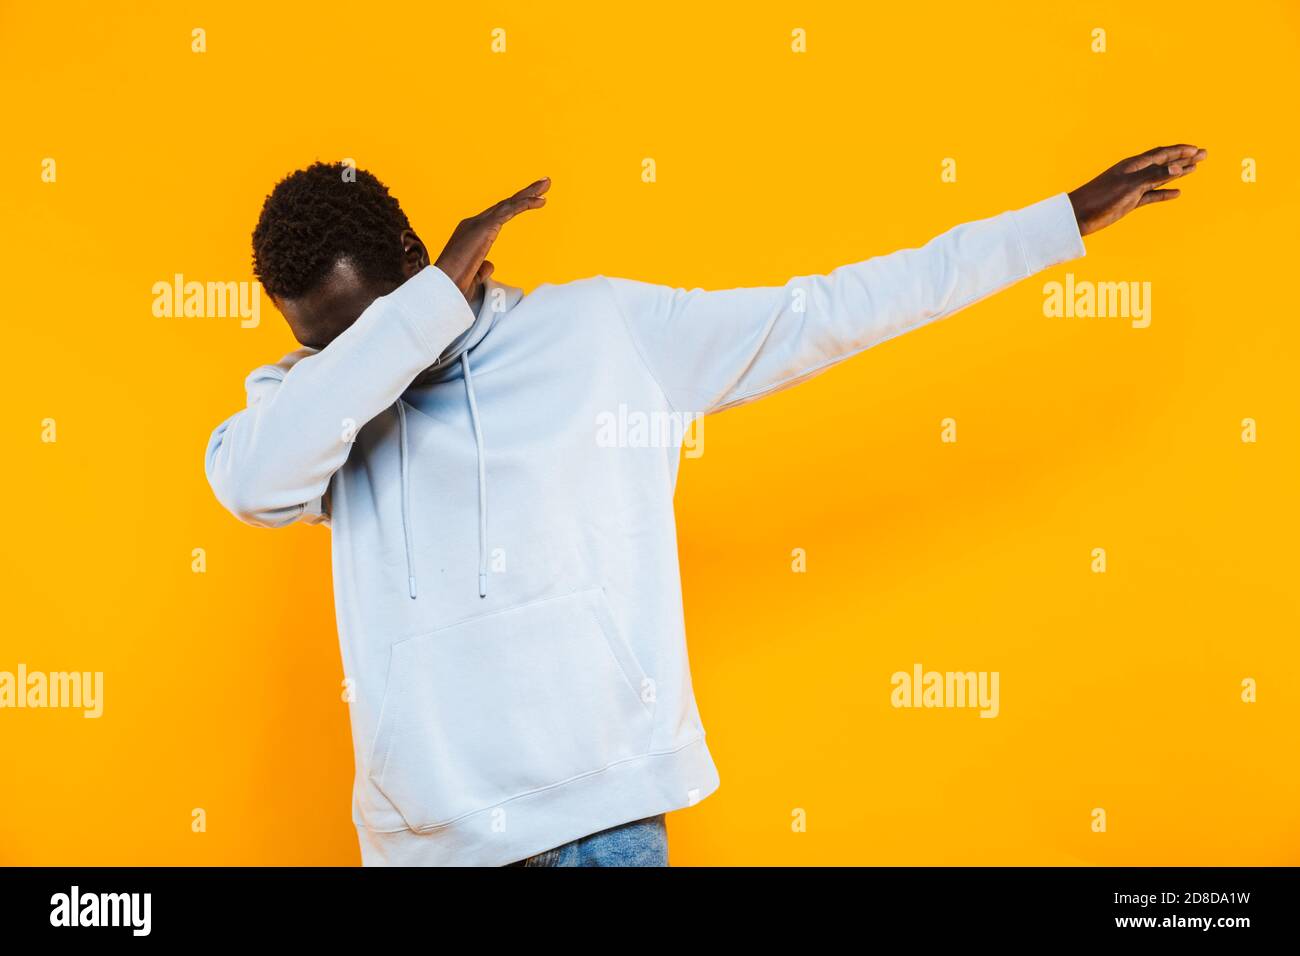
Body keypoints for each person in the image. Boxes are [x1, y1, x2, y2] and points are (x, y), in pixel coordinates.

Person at [205, 145, 1205, 866]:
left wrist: (1055, 222)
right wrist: (414, 315)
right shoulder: (302, 409)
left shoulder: (596, 331)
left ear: (421, 265)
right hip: (426, 840)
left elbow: (830, 310)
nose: (354, 363)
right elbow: (253, 489)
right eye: (326, 345)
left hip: (602, 820)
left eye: (368, 327)